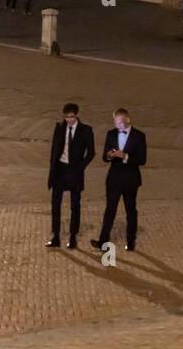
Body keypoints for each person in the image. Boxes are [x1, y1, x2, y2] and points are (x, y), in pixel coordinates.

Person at [91, 109, 148, 252]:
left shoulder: (139, 136)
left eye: (121, 122)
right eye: (116, 123)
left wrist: (125, 157)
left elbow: (142, 160)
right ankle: (103, 241)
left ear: (128, 120)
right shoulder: (111, 134)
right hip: (114, 179)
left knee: (130, 210)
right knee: (110, 210)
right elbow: (105, 157)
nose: (119, 126)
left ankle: (131, 240)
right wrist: (110, 155)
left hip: (130, 179)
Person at [46, 102, 95, 249]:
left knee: (75, 205)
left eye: (72, 117)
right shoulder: (59, 128)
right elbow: (54, 149)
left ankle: (73, 237)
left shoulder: (86, 130)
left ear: (77, 115)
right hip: (60, 170)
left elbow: (91, 153)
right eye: (67, 117)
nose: (69, 120)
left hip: (74, 172)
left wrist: (80, 167)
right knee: (55, 204)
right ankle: (55, 236)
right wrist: (52, 168)